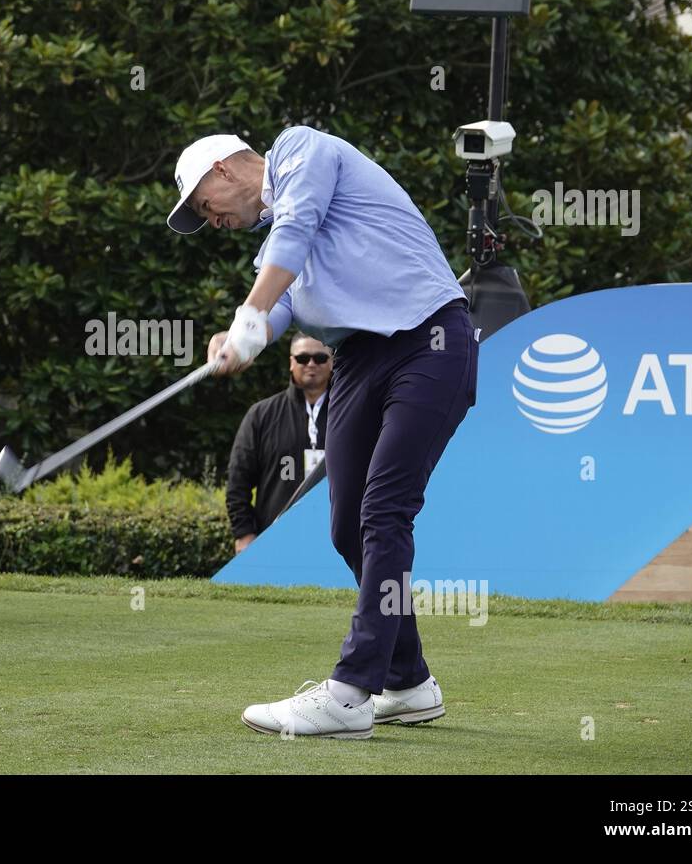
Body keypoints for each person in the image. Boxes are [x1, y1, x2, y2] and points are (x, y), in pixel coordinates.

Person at [168, 127, 478, 739]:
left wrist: (250, 314)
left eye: (206, 206)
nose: (213, 221)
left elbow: (295, 231)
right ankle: (409, 681)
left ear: (225, 171)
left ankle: (350, 690)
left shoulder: (300, 150)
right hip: (358, 360)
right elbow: (282, 300)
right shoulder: (271, 246)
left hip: (429, 341)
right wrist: (240, 337)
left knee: (385, 511)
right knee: (344, 525)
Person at [227, 333, 331, 552]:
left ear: (331, 362)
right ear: (291, 362)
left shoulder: (351, 415)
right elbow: (239, 478)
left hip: (337, 542)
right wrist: (244, 533)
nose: (311, 364)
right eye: (303, 358)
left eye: (320, 358)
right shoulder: (262, 414)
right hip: (275, 539)